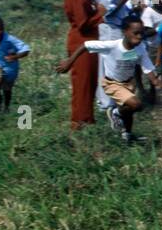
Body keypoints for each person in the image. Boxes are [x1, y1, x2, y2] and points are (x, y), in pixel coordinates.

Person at [55, 14, 156, 145]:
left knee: (129, 110)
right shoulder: (112, 45)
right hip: (112, 83)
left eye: (142, 33)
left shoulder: (139, 48)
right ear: (125, 32)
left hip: (127, 83)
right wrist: (70, 61)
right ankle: (115, 112)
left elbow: (146, 64)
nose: (140, 36)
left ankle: (127, 135)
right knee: (136, 104)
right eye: (136, 33)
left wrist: (155, 80)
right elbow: (86, 45)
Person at [63, 0, 102, 129]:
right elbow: (83, 24)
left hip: (84, 42)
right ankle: (80, 121)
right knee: (83, 83)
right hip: (82, 43)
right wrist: (100, 13)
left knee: (87, 82)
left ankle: (85, 118)